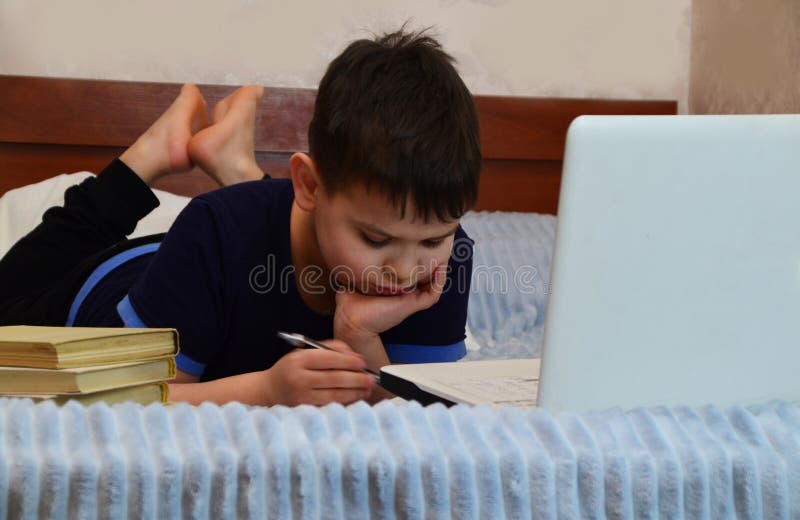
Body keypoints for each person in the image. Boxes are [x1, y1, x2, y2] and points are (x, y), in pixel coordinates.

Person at [0, 29, 480, 406]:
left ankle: (234, 164)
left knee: (252, 229)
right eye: (375, 241)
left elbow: (424, 422)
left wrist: (359, 337)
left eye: (434, 240)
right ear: (309, 186)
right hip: (117, 285)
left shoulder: (443, 256)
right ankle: (147, 158)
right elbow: (133, 403)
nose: (404, 269)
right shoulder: (216, 232)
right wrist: (264, 392)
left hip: (224, 261)